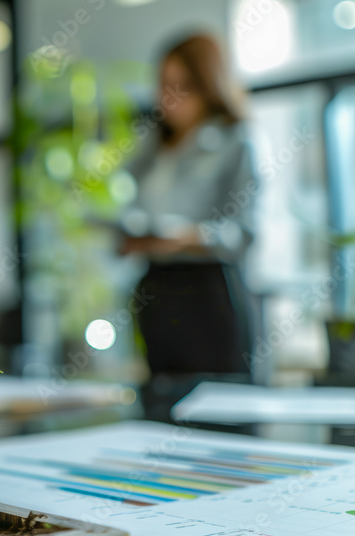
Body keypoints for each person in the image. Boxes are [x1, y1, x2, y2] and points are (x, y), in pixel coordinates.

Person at [119, 34, 258, 423]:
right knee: (161, 412)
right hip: (156, 289)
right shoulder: (152, 148)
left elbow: (244, 232)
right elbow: (124, 205)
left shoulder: (235, 141)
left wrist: (188, 237)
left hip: (208, 293)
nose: (168, 98)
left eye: (180, 87)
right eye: (163, 85)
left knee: (218, 418)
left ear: (206, 84)